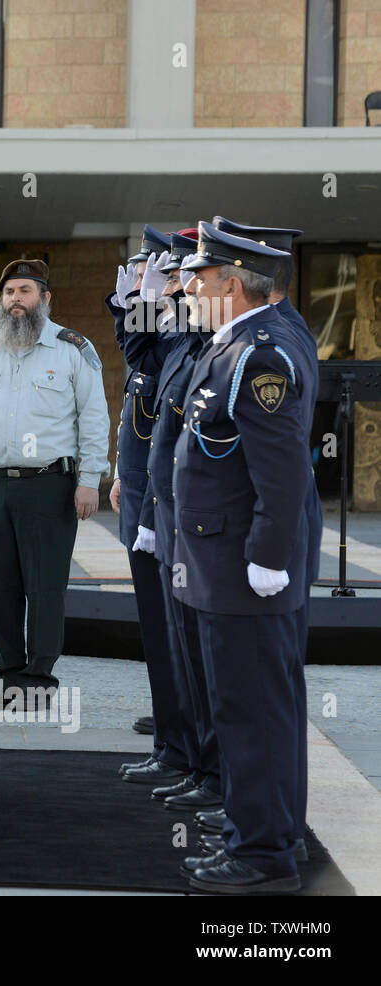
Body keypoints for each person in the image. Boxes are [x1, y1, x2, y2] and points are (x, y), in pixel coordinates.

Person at [172, 223, 312, 894]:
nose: (186, 287)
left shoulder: (260, 354)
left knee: (252, 710)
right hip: (220, 561)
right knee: (254, 708)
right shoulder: (232, 345)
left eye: (197, 278)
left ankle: (262, 854)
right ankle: (267, 831)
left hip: (242, 569)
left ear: (230, 282)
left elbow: (280, 470)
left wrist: (268, 556)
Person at [0, 259, 110, 710]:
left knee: (45, 585)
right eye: (9, 292)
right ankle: (8, 673)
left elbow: (94, 418)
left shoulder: (73, 350)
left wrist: (90, 480)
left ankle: (39, 675)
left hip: (49, 486)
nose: (16, 299)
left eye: (25, 291)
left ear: (45, 298)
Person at [109, 233, 196, 791]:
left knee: (175, 635)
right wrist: (133, 310)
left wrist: (150, 306)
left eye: (154, 274)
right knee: (157, 631)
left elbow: (155, 360)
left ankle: (182, 742)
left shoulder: (189, 336)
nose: (144, 282)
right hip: (144, 493)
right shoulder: (164, 333)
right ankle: (171, 737)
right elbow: (137, 365)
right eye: (141, 274)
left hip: (168, 505)